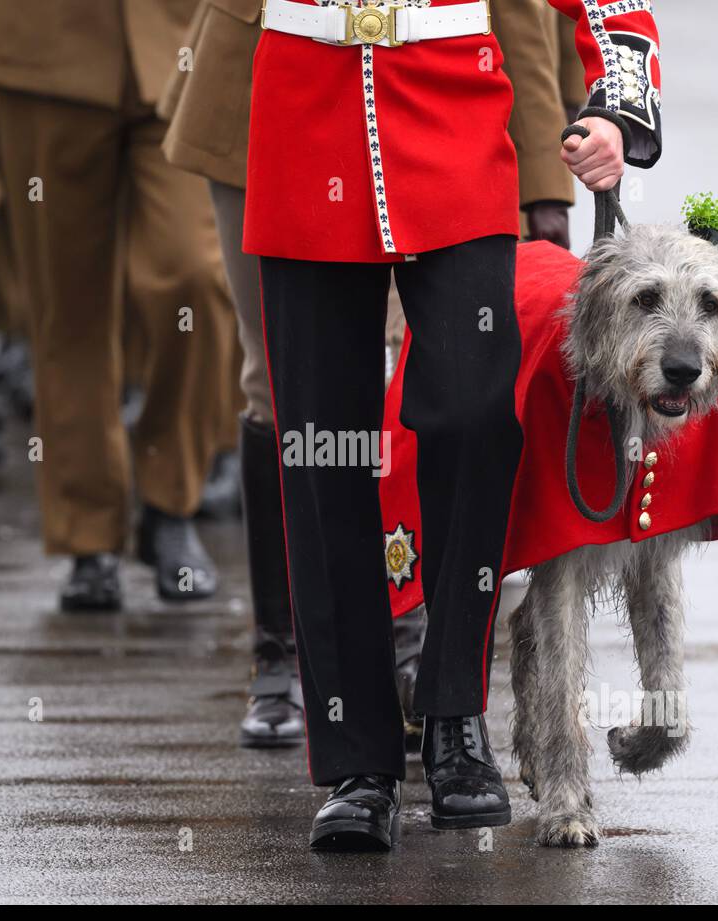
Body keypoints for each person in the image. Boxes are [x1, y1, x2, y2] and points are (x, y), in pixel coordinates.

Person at [246, 0, 662, 850]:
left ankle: (454, 712)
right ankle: (357, 760)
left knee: (477, 414)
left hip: (453, 123)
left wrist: (616, 102)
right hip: (304, 122)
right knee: (321, 449)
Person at [161, 0, 584, 748]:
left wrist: (542, 173)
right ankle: (283, 652)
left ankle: (421, 645)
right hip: (274, 92)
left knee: (439, 386)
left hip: (434, 113)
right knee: (285, 389)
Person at [0, 0, 239, 609]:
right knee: (70, 308)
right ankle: (88, 535)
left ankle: (171, 501)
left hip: (181, 41)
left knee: (193, 276)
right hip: (50, 49)